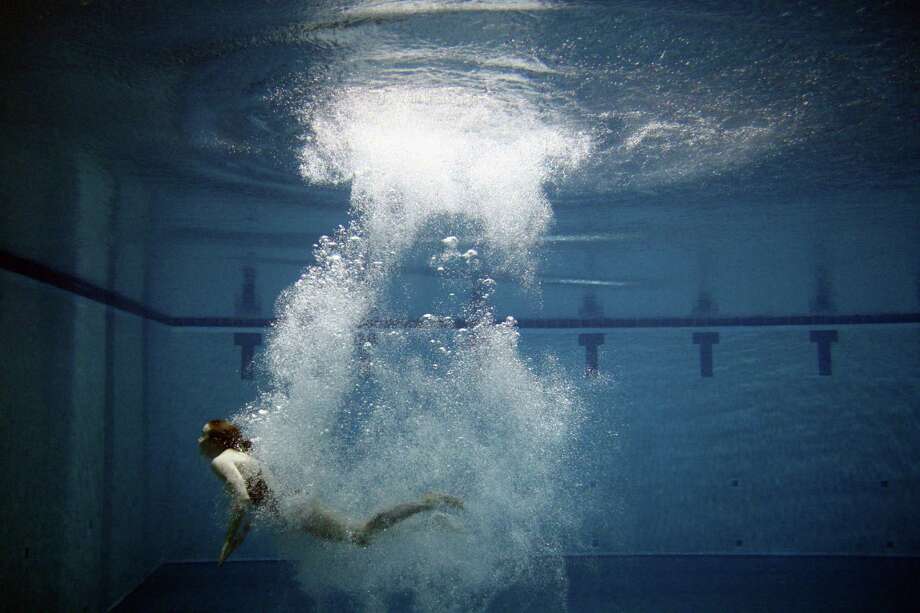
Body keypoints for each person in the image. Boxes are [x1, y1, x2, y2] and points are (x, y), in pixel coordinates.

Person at [197, 419, 463, 565]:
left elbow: (242, 498)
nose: (199, 441)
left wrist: (229, 541)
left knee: (361, 534)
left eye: (203, 435)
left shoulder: (221, 461)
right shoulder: (240, 457)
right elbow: (255, 503)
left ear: (216, 441)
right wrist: (238, 538)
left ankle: (427, 504)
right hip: (297, 508)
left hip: (298, 512)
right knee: (362, 535)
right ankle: (430, 522)